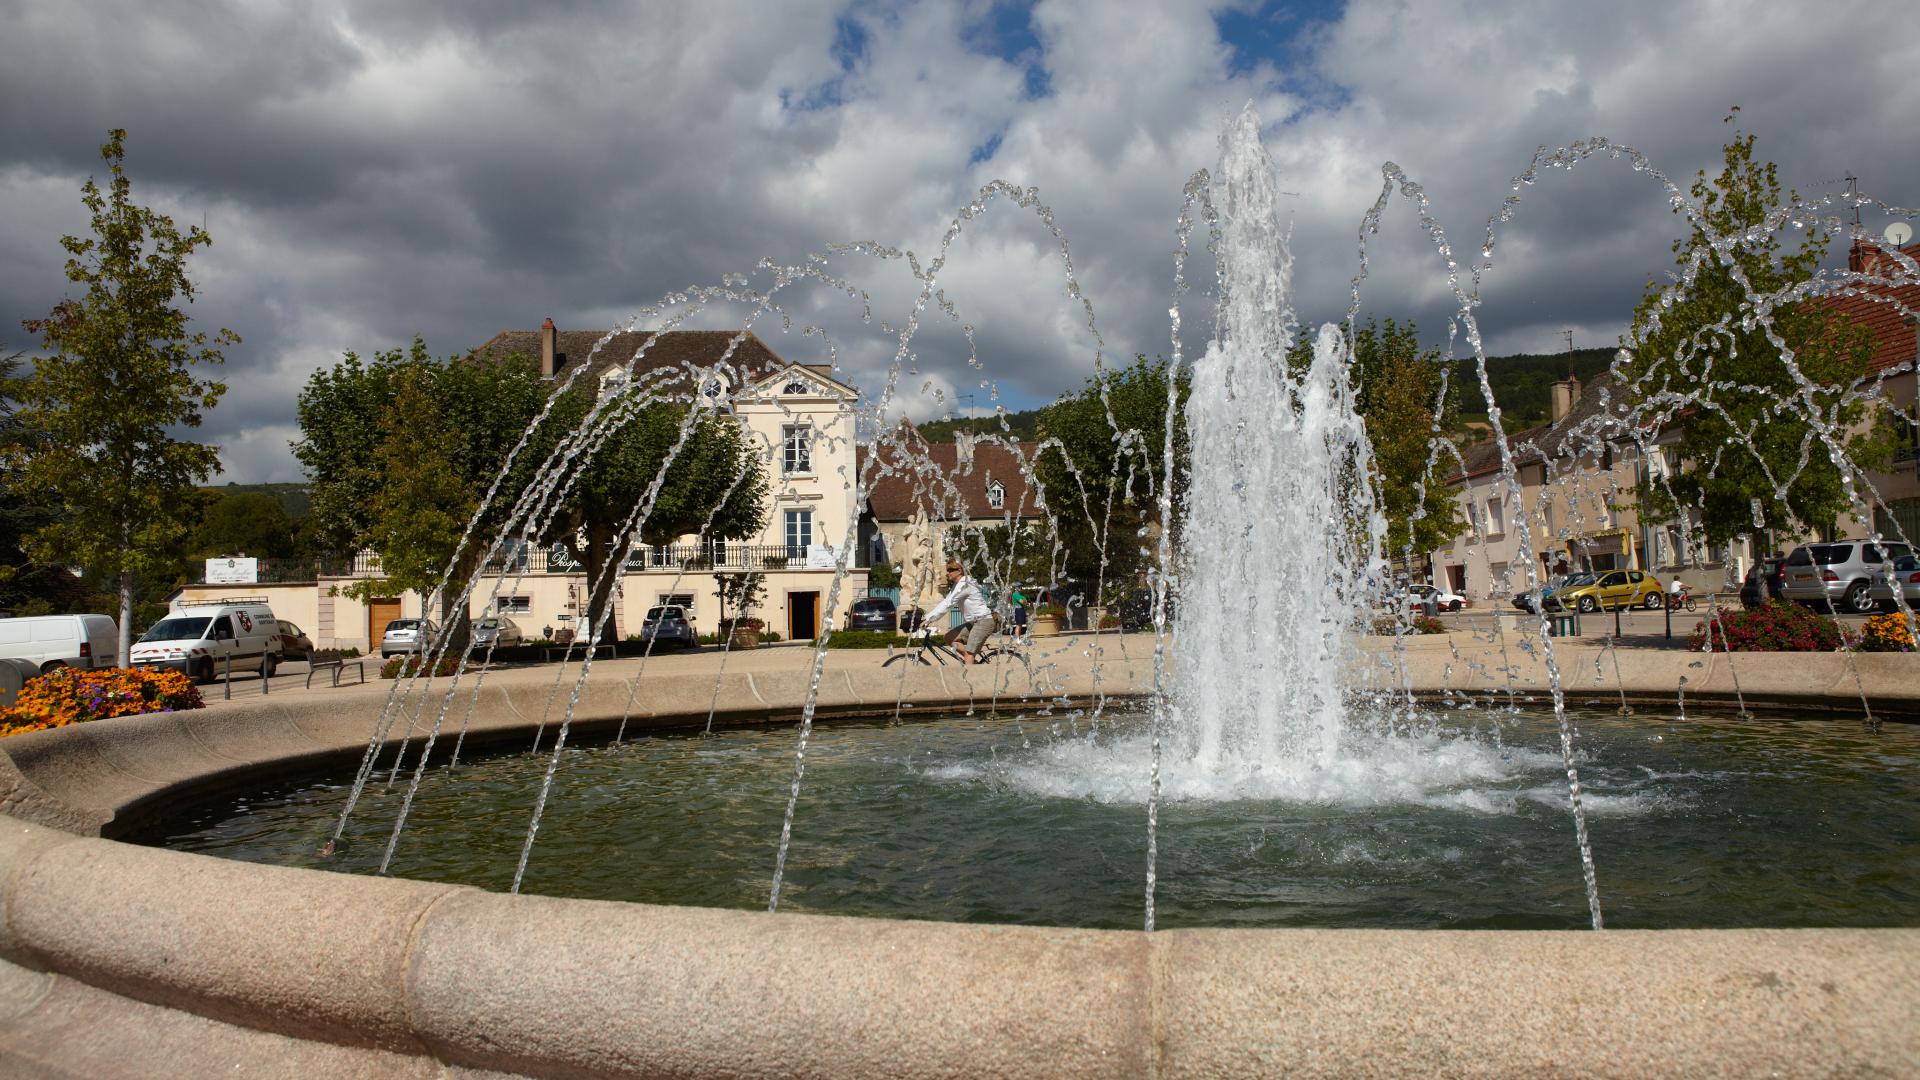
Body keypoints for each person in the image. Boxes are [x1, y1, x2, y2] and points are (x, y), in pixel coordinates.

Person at [920, 560, 999, 664]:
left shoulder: (964, 584)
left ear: (959, 570)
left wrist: (928, 619)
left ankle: (968, 674)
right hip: (973, 622)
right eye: (947, 570)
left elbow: (948, 603)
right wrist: (927, 617)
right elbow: (945, 601)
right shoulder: (957, 585)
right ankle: (973, 664)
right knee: (949, 637)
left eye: (950, 570)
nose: (948, 573)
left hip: (983, 621)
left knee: (970, 653)